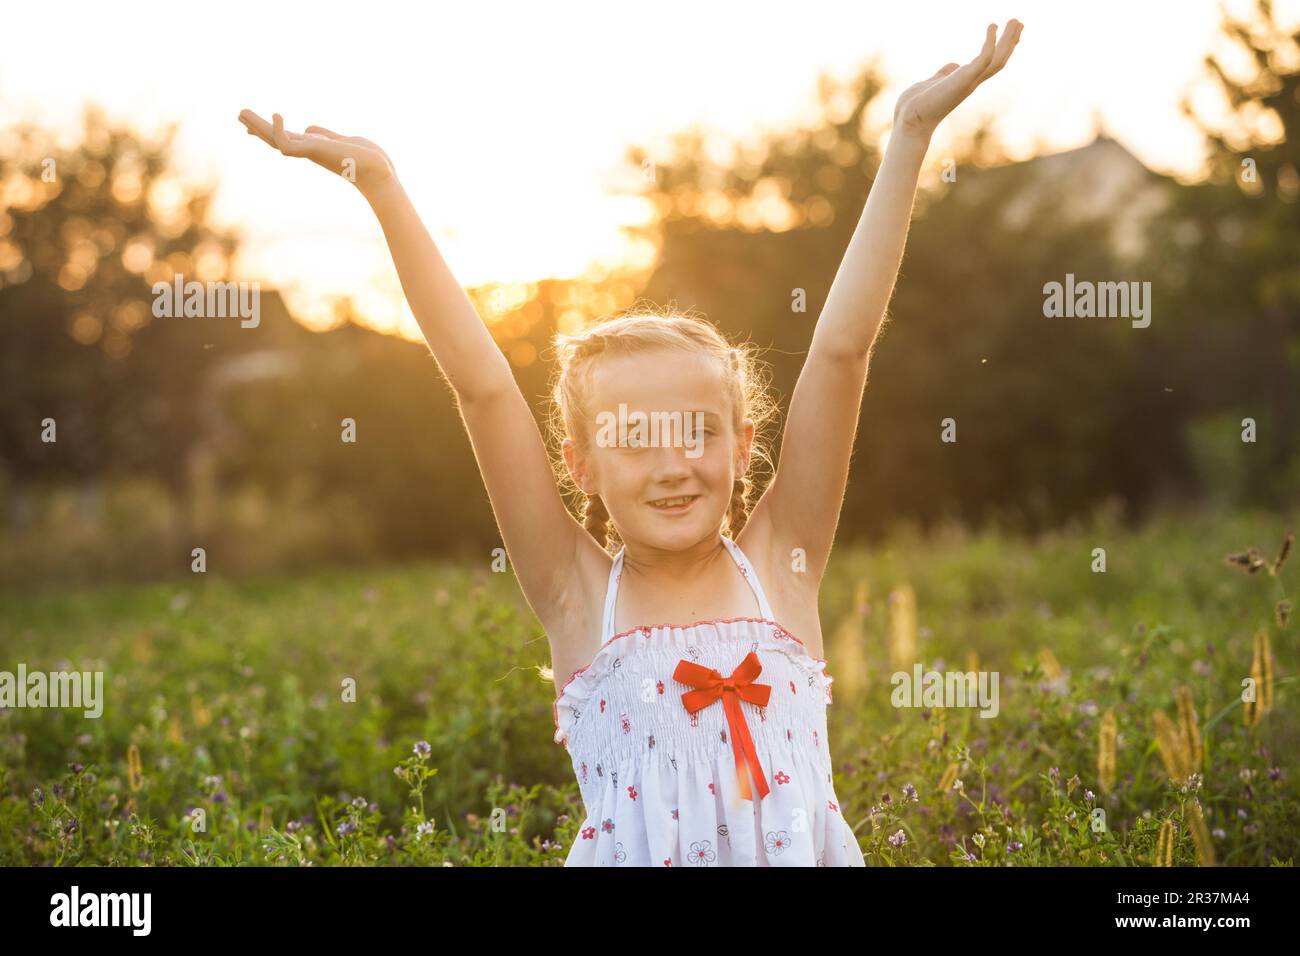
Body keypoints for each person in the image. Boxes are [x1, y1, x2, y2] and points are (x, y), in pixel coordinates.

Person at [237, 18, 1023, 866]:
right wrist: (382, 186)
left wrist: (907, 138)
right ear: (581, 464)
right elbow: (484, 388)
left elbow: (841, 349)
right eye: (636, 440)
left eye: (698, 432)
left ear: (742, 444)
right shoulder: (575, 595)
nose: (674, 464)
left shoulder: (785, 561)